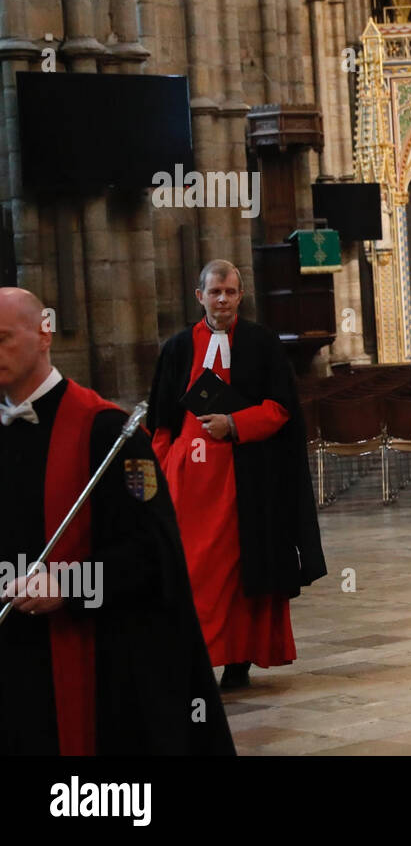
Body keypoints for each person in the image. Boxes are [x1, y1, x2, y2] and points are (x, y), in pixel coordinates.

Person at [0, 287, 234, 754]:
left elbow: (154, 556)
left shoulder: (108, 432)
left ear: (45, 334)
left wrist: (69, 586)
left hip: (87, 664)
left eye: (2, 337)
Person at [148, 260, 326, 690]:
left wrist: (235, 424)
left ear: (240, 295)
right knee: (193, 571)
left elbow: (281, 409)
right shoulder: (176, 348)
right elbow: (160, 422)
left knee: (238, 570)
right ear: (200, 297)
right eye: (215, 292)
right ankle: (196, 655)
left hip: (245, 480)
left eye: (230, 292)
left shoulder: (262, 343)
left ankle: (237, 657)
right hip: (189, 485)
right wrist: (163, 472)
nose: (223, 299)